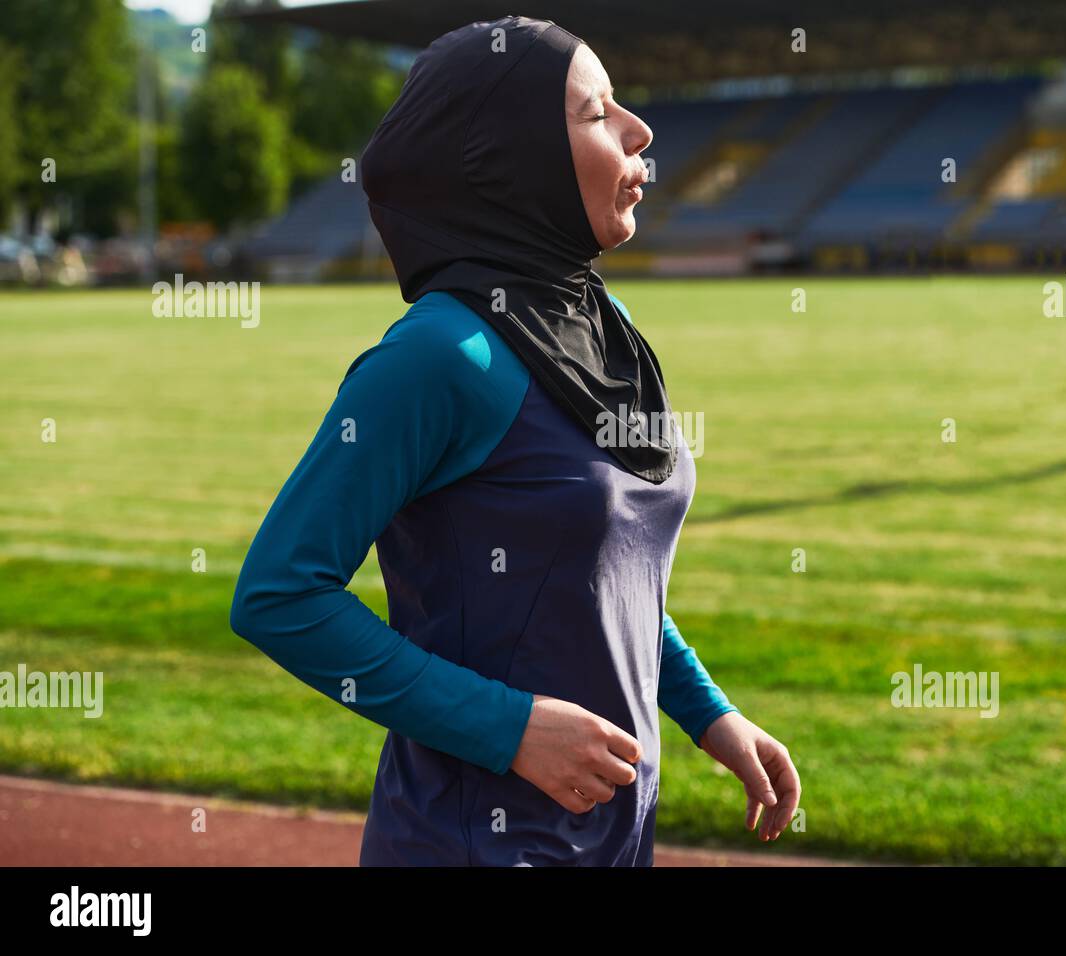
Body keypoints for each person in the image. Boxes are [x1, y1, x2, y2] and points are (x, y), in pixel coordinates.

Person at [230, 14, 800, 866]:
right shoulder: (439, 356)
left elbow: (598, 578)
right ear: (510, 155)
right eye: (597, 112)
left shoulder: (607, 328)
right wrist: (509, 729)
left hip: (612, 835)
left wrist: (709, 714)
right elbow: (279, 596)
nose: (641, 133)